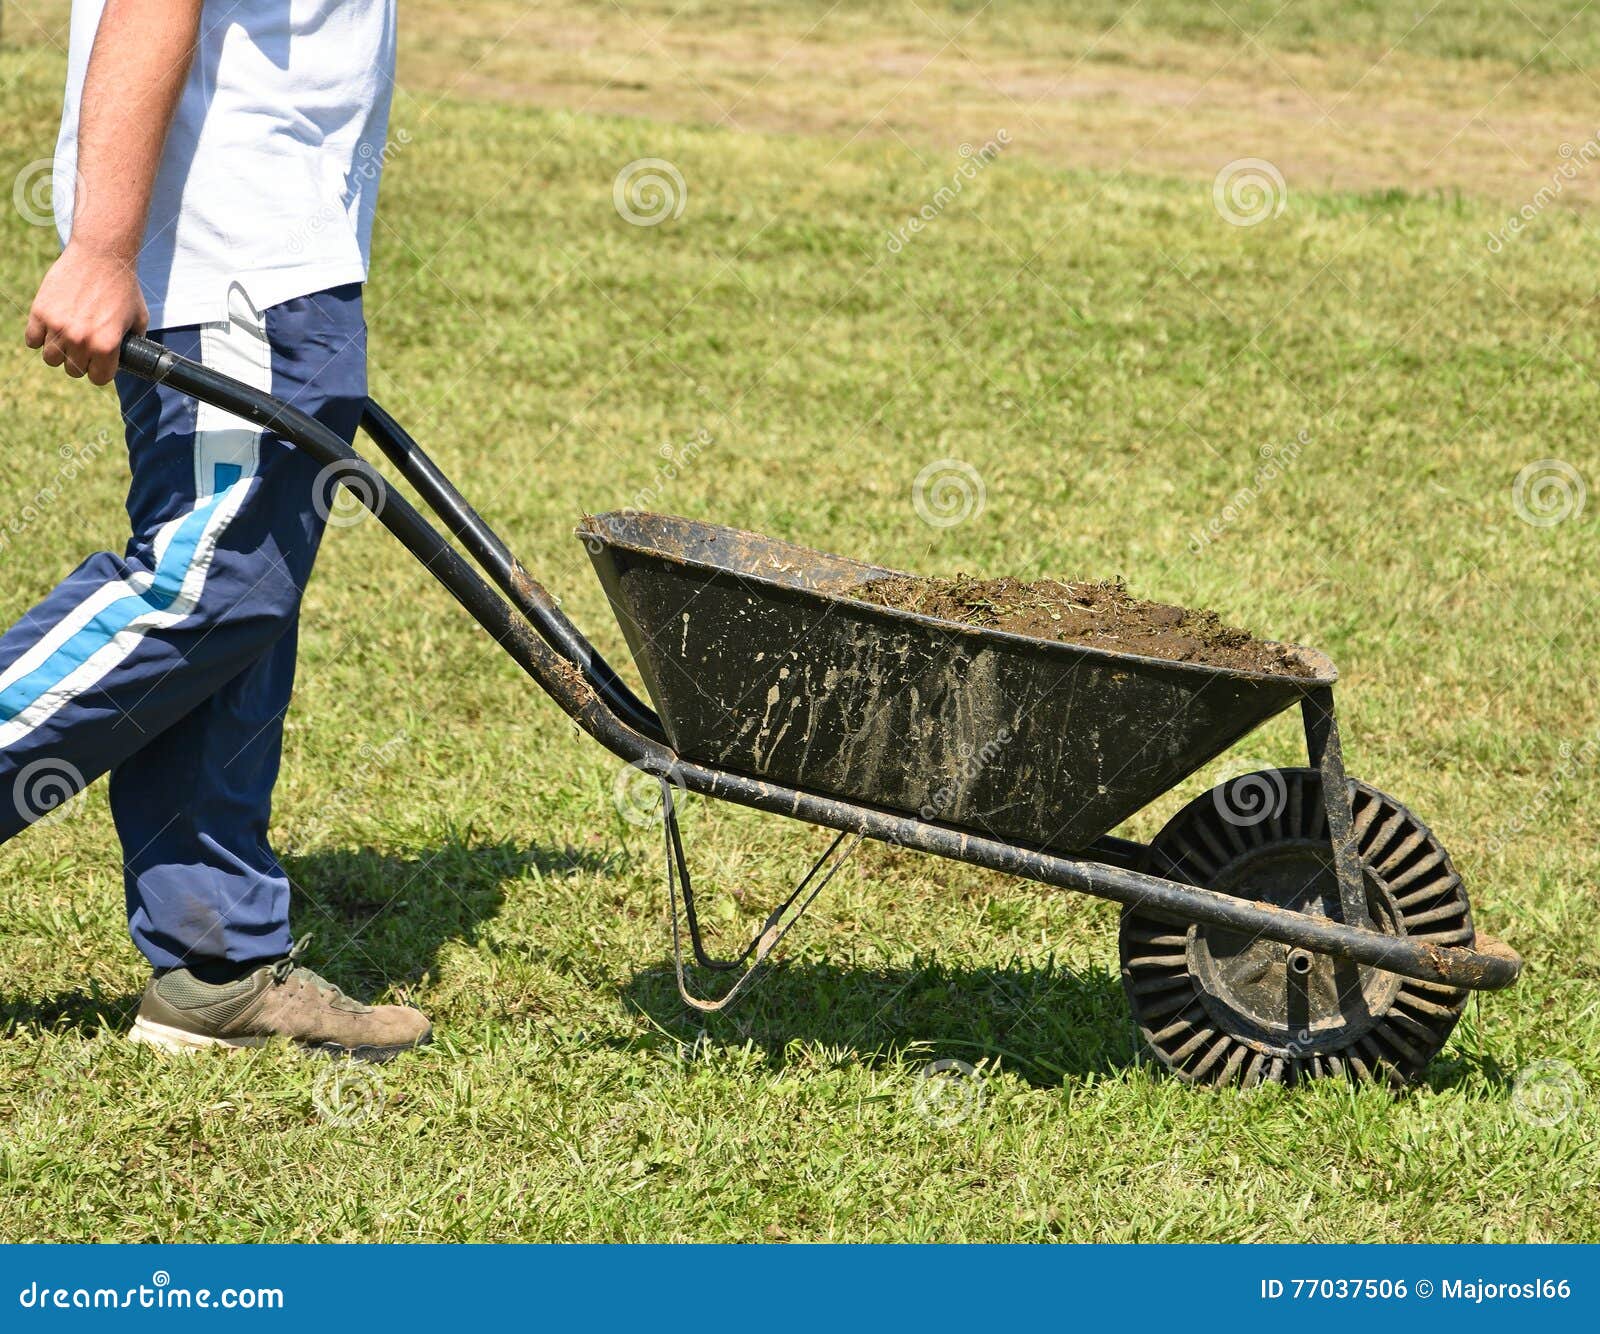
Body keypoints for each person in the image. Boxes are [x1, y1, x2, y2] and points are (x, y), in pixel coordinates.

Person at [4, 0, 429, 1060]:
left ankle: (217, 965)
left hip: (278, 256)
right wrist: (102, 246)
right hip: (239, 258)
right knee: (203, 587)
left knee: (244, 604)